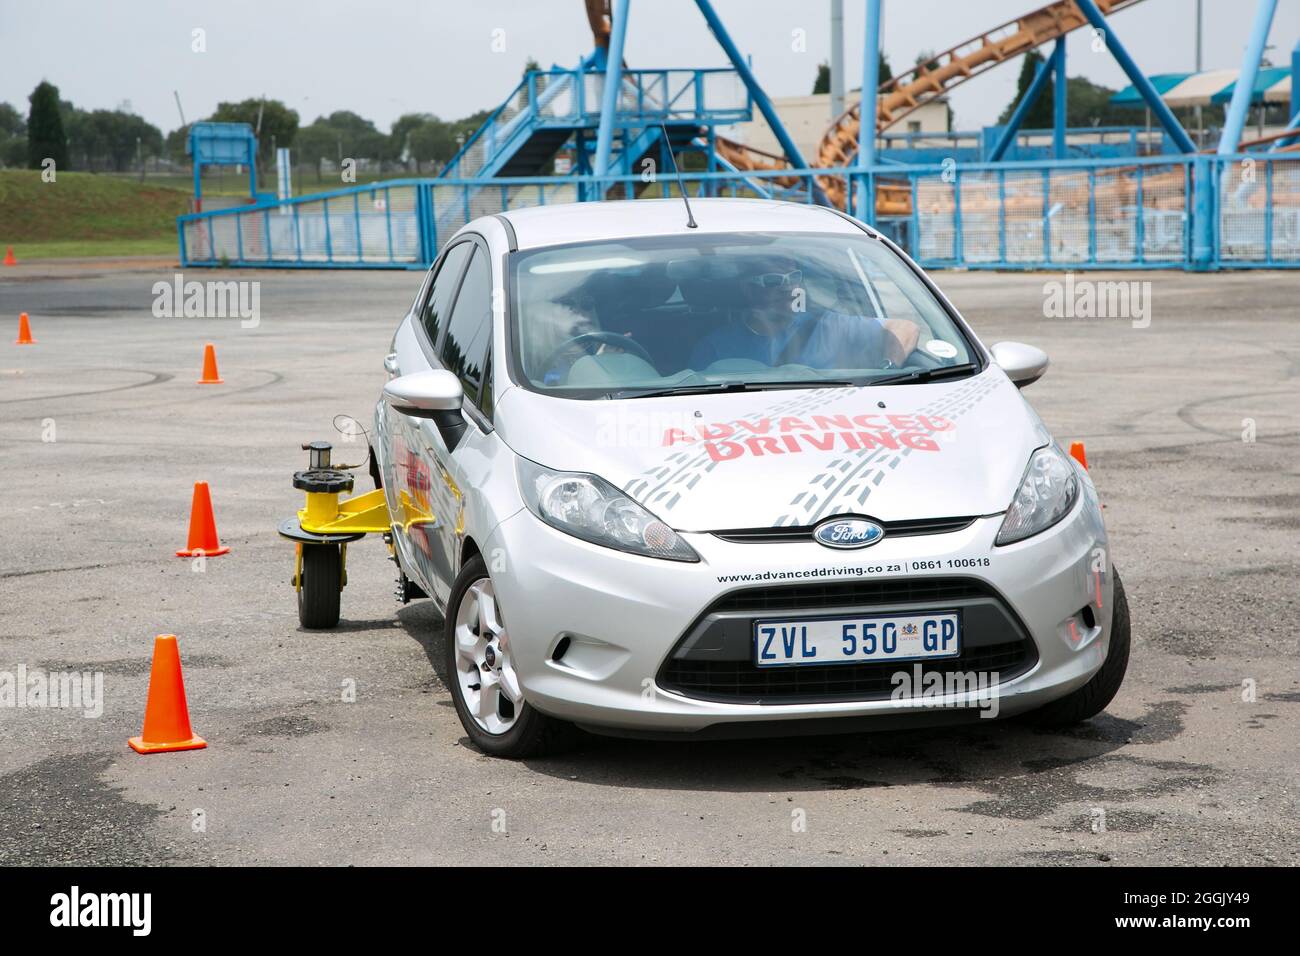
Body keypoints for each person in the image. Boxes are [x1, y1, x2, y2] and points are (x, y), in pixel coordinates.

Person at [687, 256, 920, 373]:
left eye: (793, 278)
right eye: (774, 281)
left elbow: (905, 329)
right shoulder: (714, 348)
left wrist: (888, 367)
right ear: (749, 290)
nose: (787, 288)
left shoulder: (829, 325)